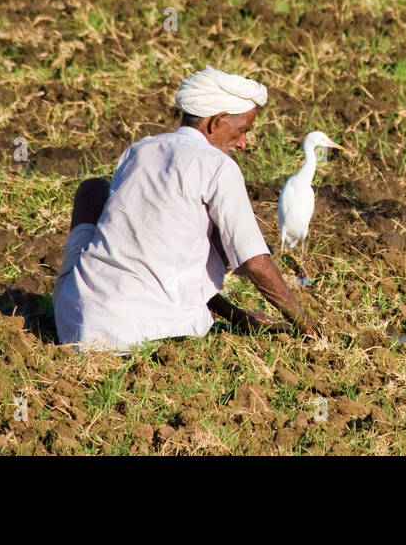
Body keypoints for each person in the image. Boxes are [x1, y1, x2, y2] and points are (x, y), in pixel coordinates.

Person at [53, 66, 316, 350]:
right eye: (242, 131)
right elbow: (255, 262)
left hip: (73, 321)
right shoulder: (218, 166)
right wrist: (306, 326)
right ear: (216, 122)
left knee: (93, 189)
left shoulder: (138, 151)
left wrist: (237, 316)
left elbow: (162, 258)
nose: (243, 143)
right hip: (143, 331)